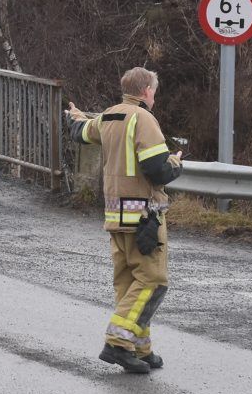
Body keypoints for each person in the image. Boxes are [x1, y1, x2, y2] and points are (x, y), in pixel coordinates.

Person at [68, 67, 181, 375]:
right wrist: (175, 163)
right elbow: (157, 169)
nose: (154, 96)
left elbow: (81, 132)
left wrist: (75, 116)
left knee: (129, 283)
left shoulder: (108, 116)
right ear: (146, 91)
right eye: (154, 90)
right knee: (152, 281)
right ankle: (117, 343)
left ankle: (139, 348)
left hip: (115, 214)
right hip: (144, 215)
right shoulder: (143, 118)